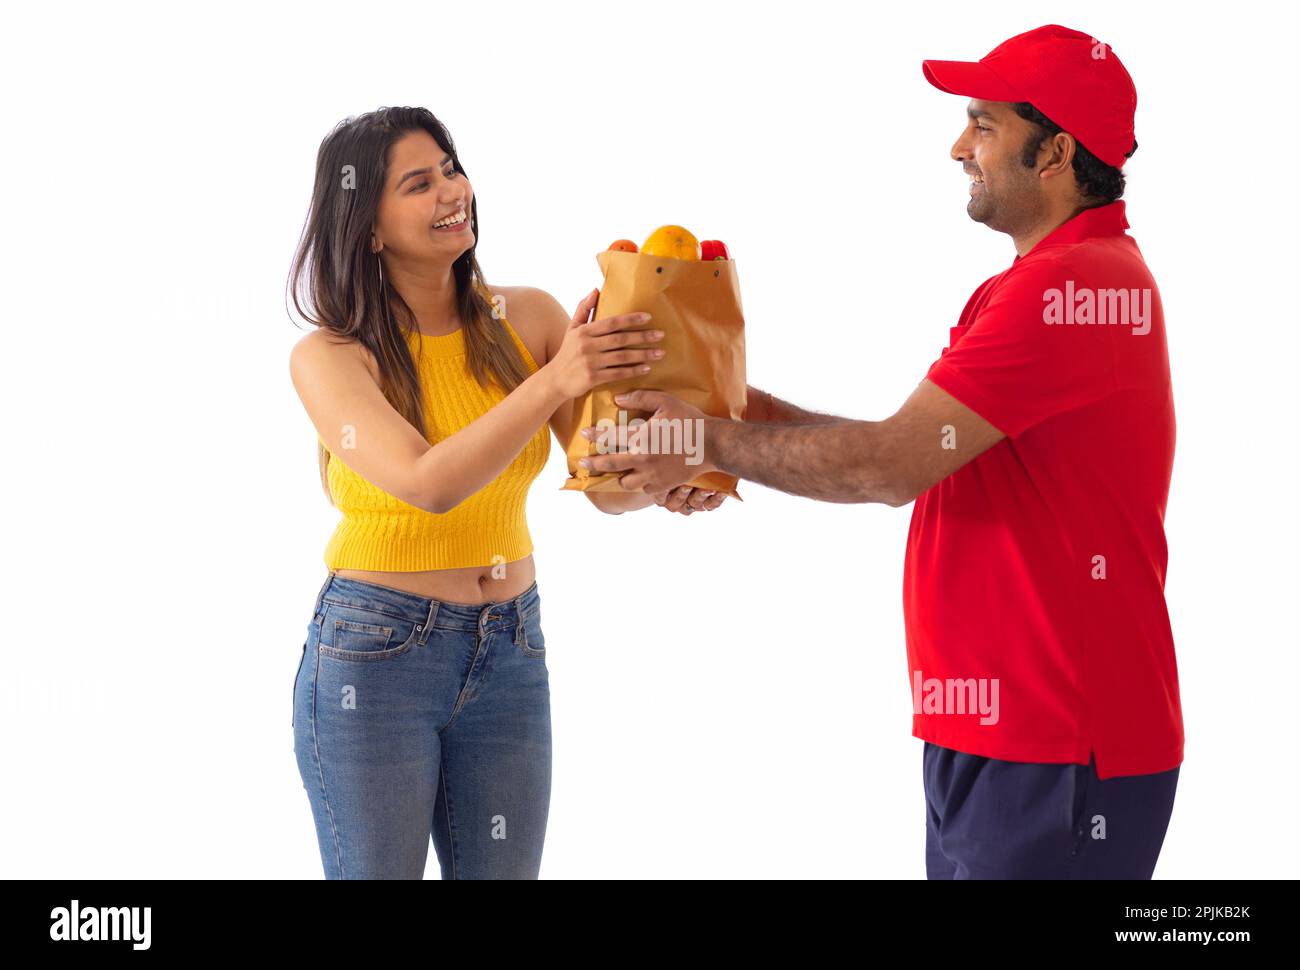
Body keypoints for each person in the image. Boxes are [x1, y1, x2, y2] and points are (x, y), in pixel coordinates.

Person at [580, 25, 1183, 879]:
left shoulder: (1075, 288)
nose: (958, 146)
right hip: (1004, 741)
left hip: (1055, 746)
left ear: (1054, 153)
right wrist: (712, 408)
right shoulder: (1042, 282)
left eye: (983, 125)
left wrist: (707, 439)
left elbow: (887, 466)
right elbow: (915, 450)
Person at [286, 106, 717, 879]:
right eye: (419, 183)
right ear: (370, 227)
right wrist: (557, 376)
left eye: (451, 169)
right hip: (377, 659)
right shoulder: (331, 356)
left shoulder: (533, 318)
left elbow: (603, 487)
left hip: (511, 647)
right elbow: (428, 484)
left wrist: (665, 483)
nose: (452, 191)